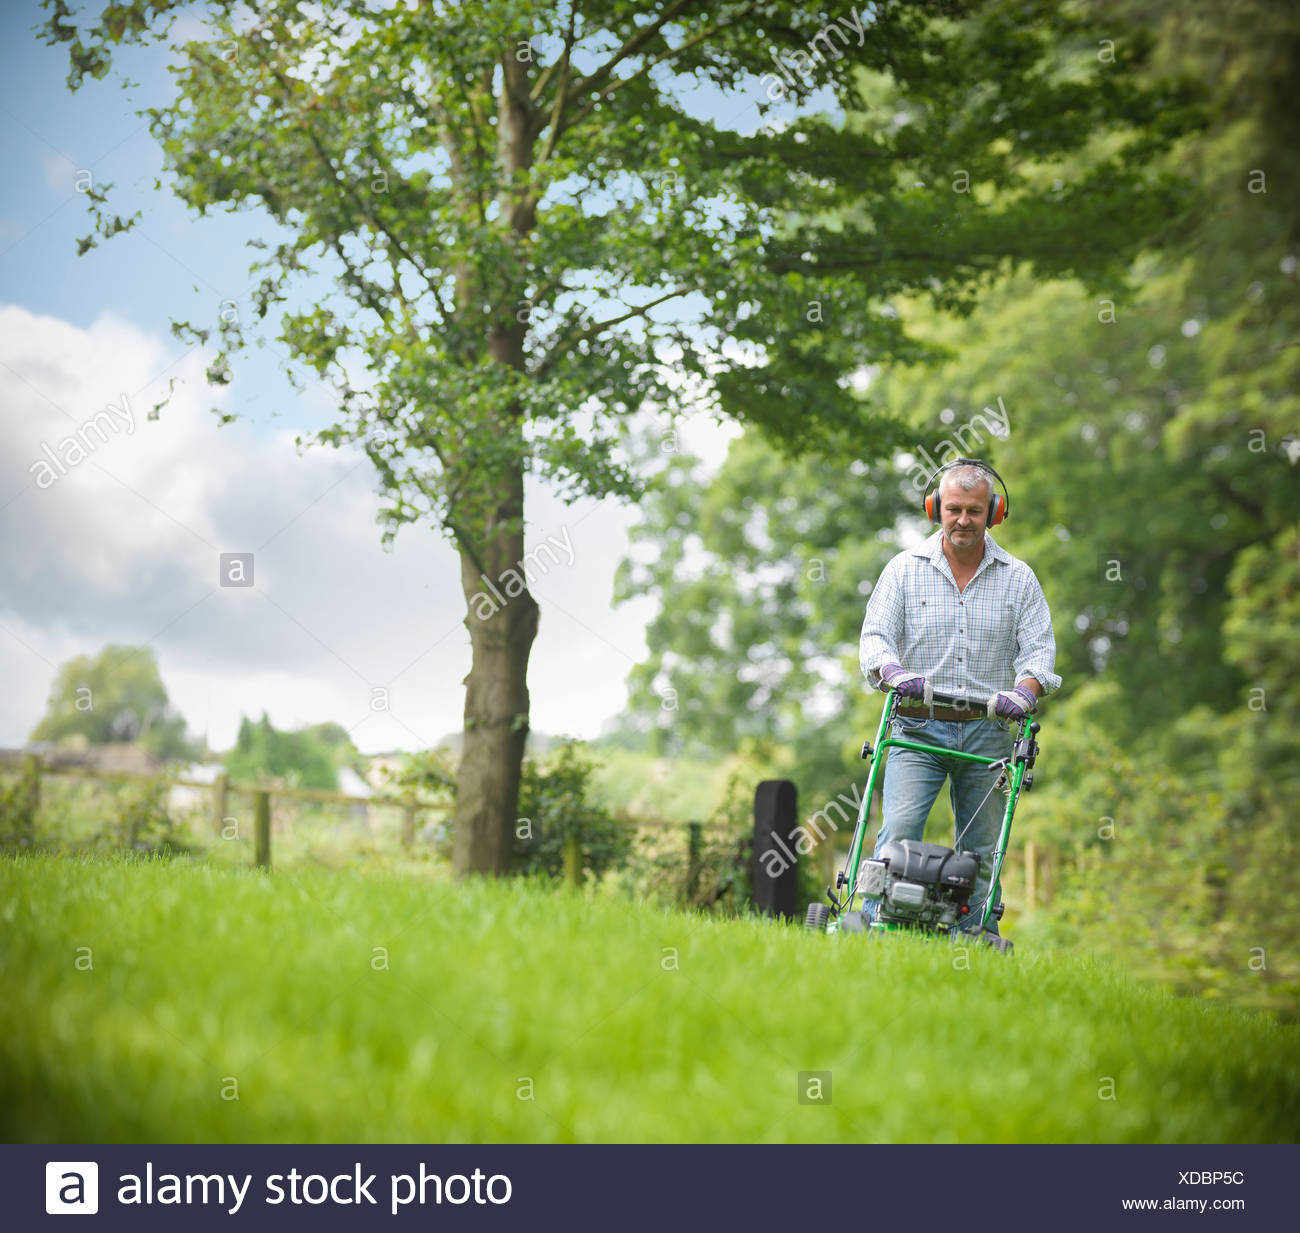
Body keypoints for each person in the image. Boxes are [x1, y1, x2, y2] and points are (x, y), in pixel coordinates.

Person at [858, 459, 1060, 935]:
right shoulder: (904, 571)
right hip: (916, 725)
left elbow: (1039, 656)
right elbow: (874, 638)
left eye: (974, 510)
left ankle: (973, 935)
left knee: (983, 850)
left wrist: (1023, 693)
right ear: (935, 509)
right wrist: (893, 671)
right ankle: (877, 927)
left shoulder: (1019, 578)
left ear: (994, 511)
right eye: (953, 509)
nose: (963, 520)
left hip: (988, 732)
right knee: (899, 831)